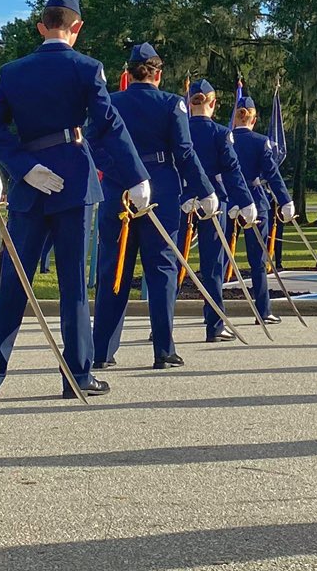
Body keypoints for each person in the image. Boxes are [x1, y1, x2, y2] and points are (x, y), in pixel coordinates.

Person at [0, 0, 147, 401]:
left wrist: (22, 166)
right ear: (75, 27)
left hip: (30, 181)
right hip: (74, 180)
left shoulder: (13, 71)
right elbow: (109, 124)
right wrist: (136, 176)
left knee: (13, 282)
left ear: (40, 26)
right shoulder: (87, 68)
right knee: (73, 285)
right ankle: (77, 375)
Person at [93, 44, 218, 371]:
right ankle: (163, 349)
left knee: (114, 268)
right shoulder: (171, 103)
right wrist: (205, 190)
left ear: (129, 72)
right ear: (158, 74)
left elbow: (93, 145)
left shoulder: (111, 102)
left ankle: (102, 350)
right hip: (161, 189)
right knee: (162, 270)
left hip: (118, 190)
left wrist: (121, 174)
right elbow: (185, 153)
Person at [184, 79, 255, 340]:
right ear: (213, 104)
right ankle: (214, 325)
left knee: (173, 264)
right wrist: (246, 202)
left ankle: (161, 325)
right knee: (212, 265)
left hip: (182, 198)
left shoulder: (179, 129)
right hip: (214, 201)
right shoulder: (220, 132)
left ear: (189, 103)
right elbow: (232, 171)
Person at [231, 93, 296, 325]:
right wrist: (285, 200)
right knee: (257, 261)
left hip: (229, 200)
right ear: (254, 119)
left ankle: (214, 314)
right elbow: (272, 175)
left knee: (218, 260)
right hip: (256, 201)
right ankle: (263, 310)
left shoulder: (224, 138)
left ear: (235, 117)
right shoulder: (260, 142)